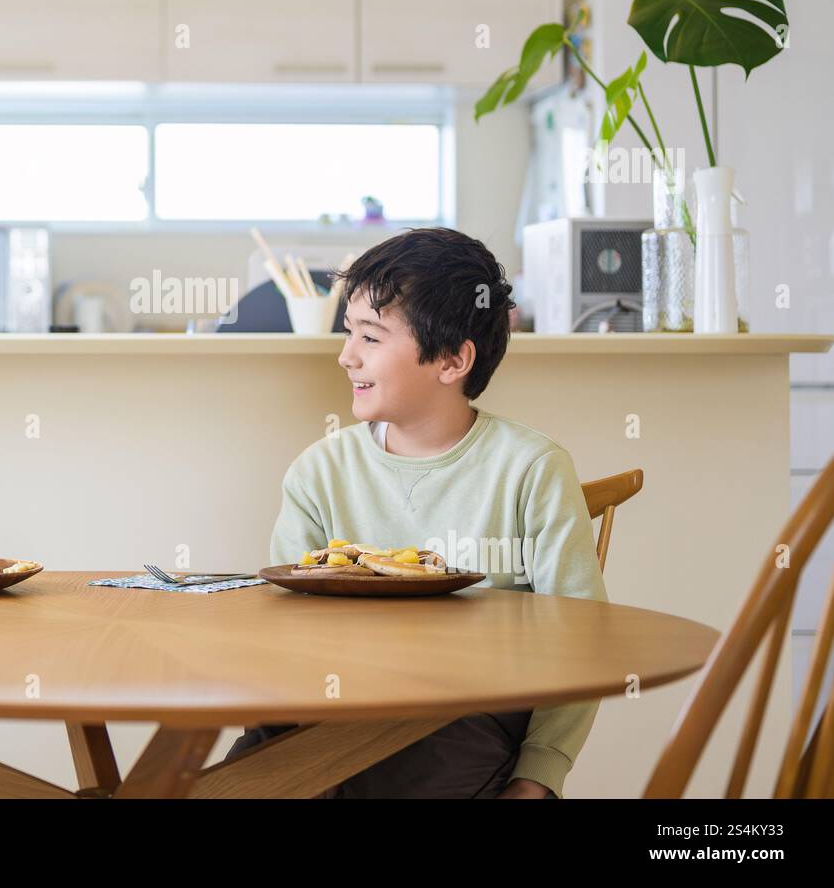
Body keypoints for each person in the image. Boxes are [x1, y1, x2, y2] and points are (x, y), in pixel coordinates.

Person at [226, 228, 607, 798]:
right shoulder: (320, 470)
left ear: (453, 359)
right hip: (326, 707)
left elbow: (580, 641)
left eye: (371, 337)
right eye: (349, 331)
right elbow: (285, 625)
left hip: (463, 718)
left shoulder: (532, 469)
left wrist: (539, 776)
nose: (346, 354)